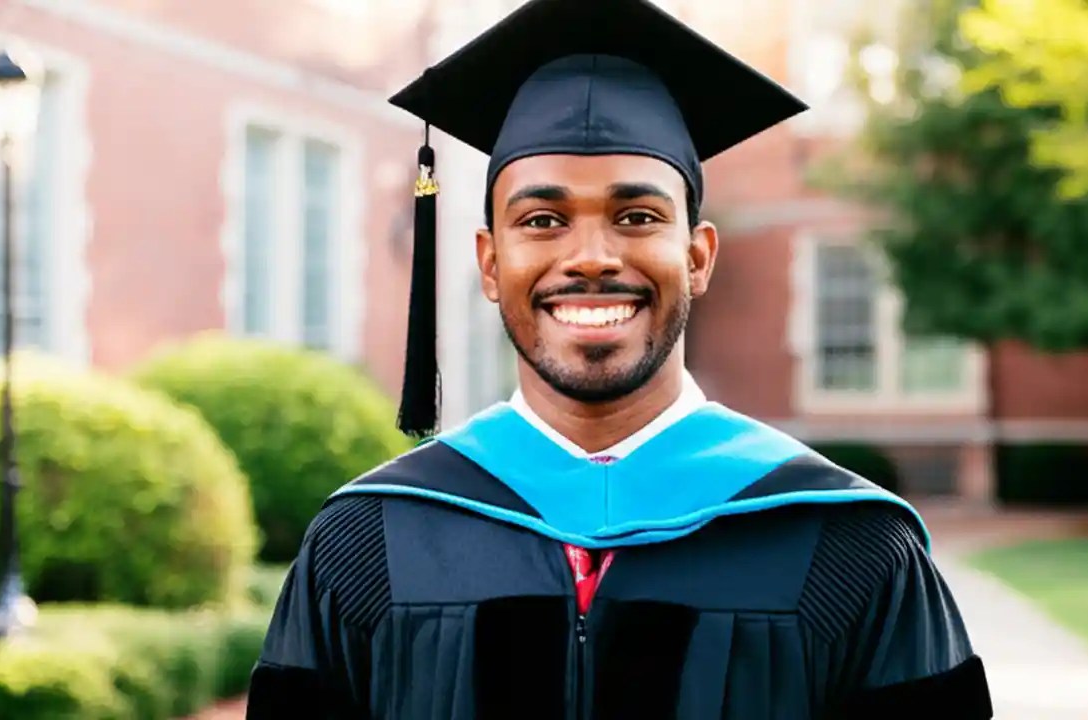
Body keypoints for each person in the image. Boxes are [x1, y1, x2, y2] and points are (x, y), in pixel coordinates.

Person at [247, 0, 993, 717]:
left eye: (637, 217)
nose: (592, 257)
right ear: (488, 262)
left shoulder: (850, 548)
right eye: (542, 220)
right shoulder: (366, 543)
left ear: (697, 257)